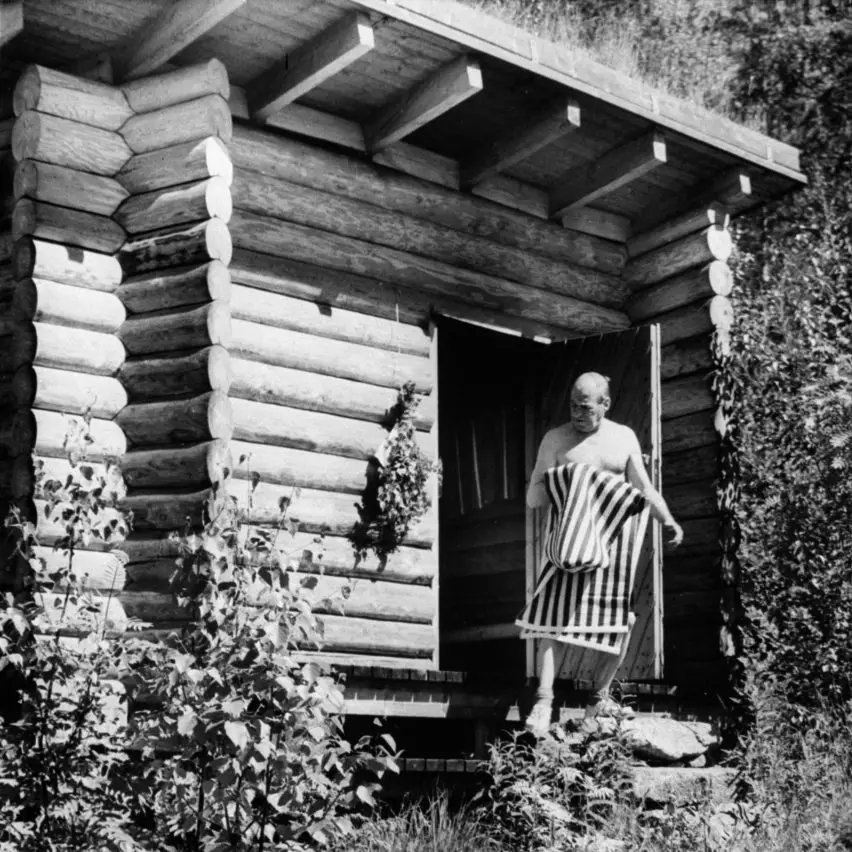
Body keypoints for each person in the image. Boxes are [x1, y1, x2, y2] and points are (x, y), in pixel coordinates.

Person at [517, 372, 683, 735]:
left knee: (620, 622)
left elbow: (643, 488)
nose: (578, 413)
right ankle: (544, 702)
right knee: (553, 620)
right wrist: (563, 483)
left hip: (612, 547)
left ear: (605, 404)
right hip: (566, 544)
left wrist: (668, 521)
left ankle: (600, 695)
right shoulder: (556, 439)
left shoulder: (622, 437)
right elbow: (533, 496)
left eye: (586, 407)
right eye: (574, 406)